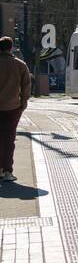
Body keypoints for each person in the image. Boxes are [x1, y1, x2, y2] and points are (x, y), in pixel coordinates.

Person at [0, 36, 31, 182]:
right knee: (9, 139)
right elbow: (26, 86)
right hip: (13, 107)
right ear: (11, 47)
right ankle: (7, 171)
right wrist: (23, 103)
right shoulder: (20, 65)